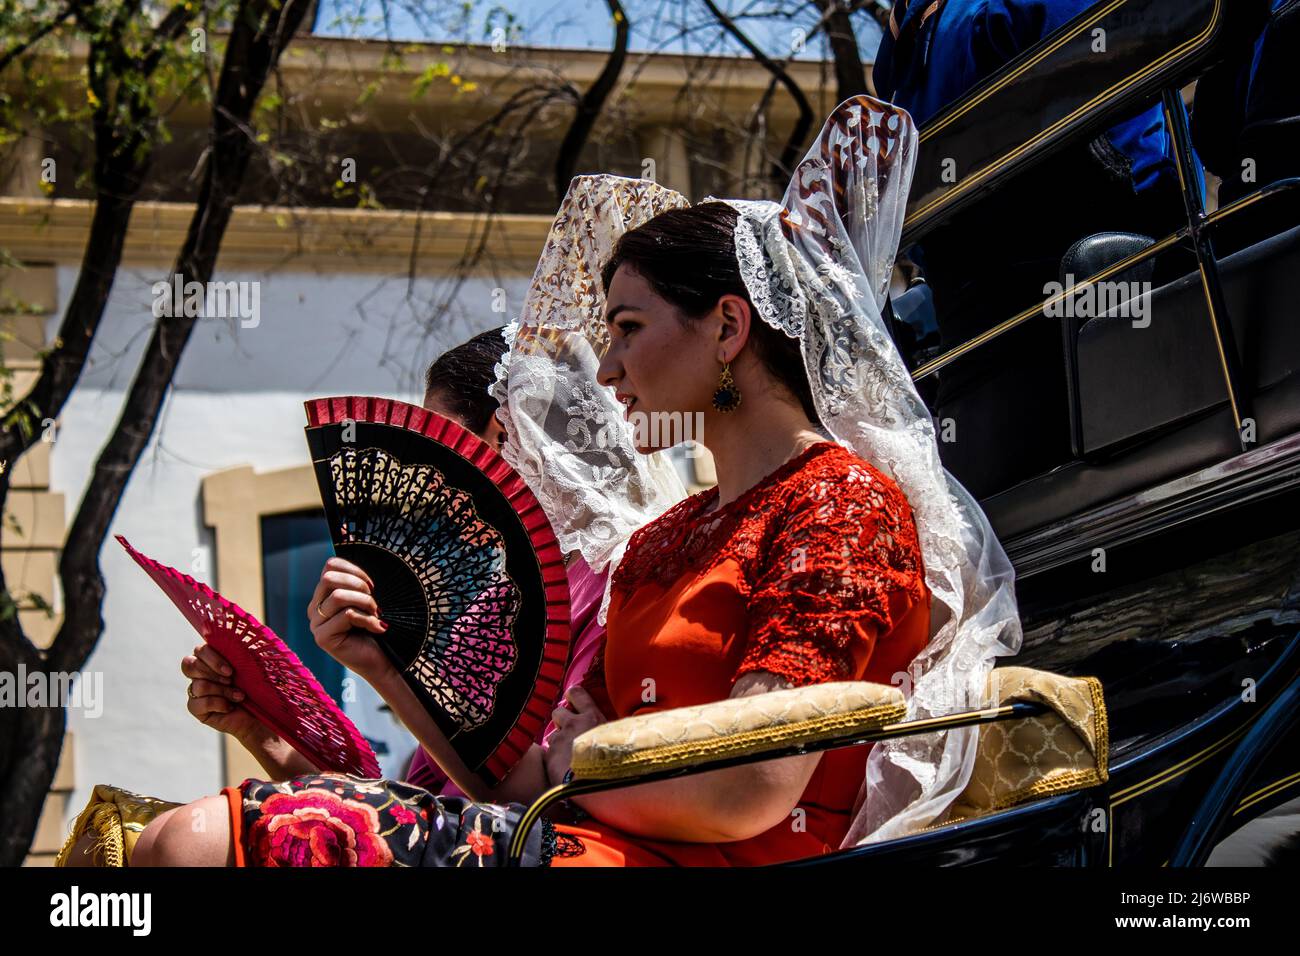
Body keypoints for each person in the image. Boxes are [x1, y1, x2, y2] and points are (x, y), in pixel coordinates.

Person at [132, 96, 1022, 866]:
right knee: (165, 839)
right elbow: (526, 778)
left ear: (727, 327)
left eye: (628, 328)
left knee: (200, 845)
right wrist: (384, 665)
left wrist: (572, 775)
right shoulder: (660, 542)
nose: (607, 370)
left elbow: (750, 785)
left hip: (707, 862)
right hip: (591, 842)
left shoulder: (840, 503)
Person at [176, 325, 611, 797]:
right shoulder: (492, 605)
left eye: (443, 450)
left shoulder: (613, 586)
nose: (434, 485)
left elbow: (540, 807)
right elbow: (412, 804)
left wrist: (386, 669)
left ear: (510, 435)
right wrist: (260, 732)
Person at [874, 0, 1196, 497]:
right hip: (1105, 350)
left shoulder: (909, 54)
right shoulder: (988, 18)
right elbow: (1148, 164)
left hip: (976, 376)